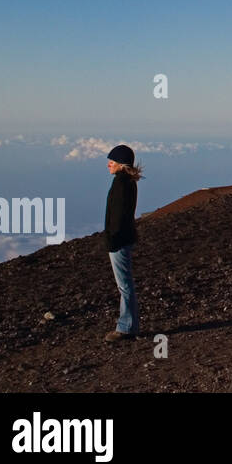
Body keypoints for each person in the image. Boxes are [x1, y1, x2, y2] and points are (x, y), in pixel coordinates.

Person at [103, 144, 142, 343]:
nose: (109, 164)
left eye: (112, 161)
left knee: (124, 285)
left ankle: (126, 327)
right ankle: (129, 325)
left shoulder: (121, 184)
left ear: (121, 163)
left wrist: (112, 240)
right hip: (125, 237)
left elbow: (117, 215)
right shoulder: (127, 182)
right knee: (125, 284)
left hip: (119, 239)